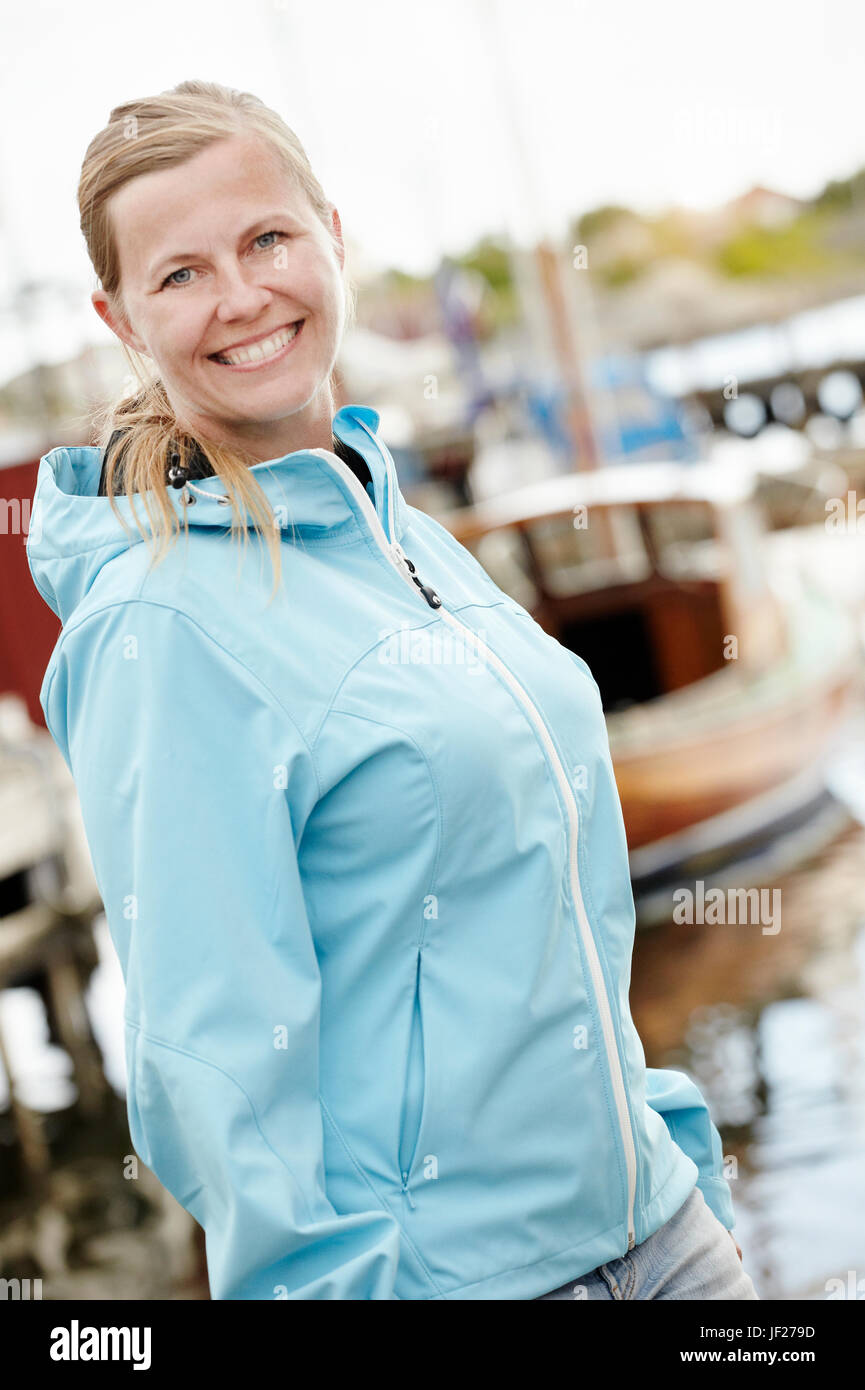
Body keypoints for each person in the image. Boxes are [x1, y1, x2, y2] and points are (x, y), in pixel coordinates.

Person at [27, 79, 758, 1301]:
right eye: (181, 272)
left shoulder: (405, 535)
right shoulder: (158, 626)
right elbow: (211, 1071)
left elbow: (561, 904)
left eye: (267, 238)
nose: (241, 295)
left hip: (665, 1238)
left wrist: (676, 1160)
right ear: (122, 318)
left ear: (332, 236)